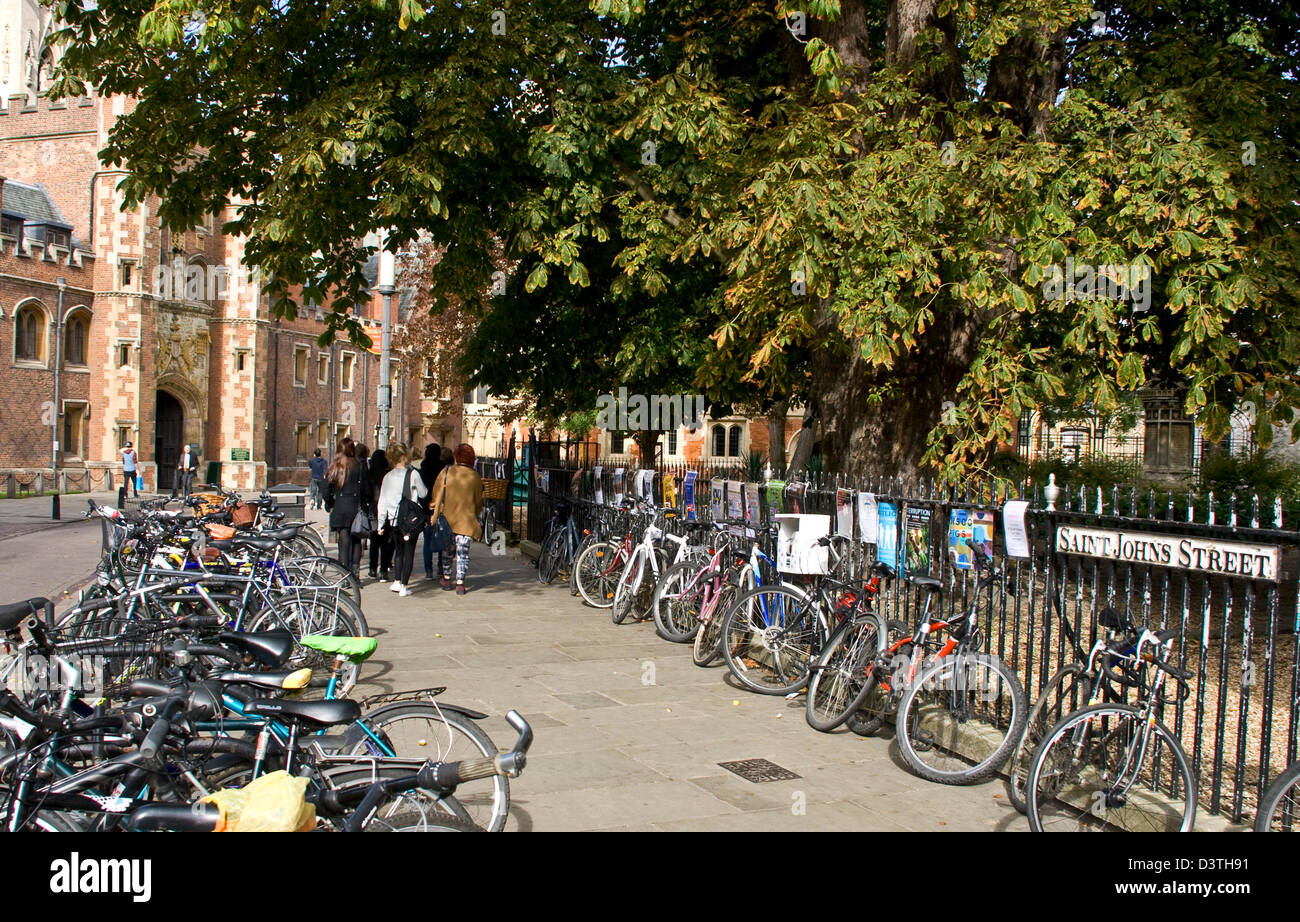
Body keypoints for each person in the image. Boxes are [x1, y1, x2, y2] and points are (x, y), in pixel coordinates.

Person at [430, 443, 483, 596]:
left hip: (448, 518)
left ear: (456, 456)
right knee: (463, 553)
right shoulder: (475, 477)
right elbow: (479, 500)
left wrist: (434, 507)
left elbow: (436, 492)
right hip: (467, 520)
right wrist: (476, 511)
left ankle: (446, 578)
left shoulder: (446, 472)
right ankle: (460, 583)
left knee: (447, 551)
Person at [377, 443, 427, 597]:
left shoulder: (387, 477)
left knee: (398, 551)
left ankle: (397, 581)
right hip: (410, 520)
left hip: (393, 520)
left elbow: (382, 501)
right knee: (409, 552)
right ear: (405, 456)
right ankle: (404, 586)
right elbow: (424, 493)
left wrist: (380, 524)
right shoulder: (413, 475)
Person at [324, 438, 372, 577]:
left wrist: (330, 502)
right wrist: (366, 500)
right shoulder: (360, 465)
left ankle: (345, 575)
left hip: (340, 506)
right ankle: (355, 573)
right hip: (356, 507)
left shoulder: (335, 466)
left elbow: (326, 487)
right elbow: (367, 488)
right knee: (357, 539)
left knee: (343, 541)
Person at [367, 447, 394, 581]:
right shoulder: (388, 475)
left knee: (374, 541)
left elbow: (367, 492)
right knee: (385, 542)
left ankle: (372, 569)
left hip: (373, 509)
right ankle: (384, 570)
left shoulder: (370, 474)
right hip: (387, 509)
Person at [419, 442, 444, 579]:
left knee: (427, 540)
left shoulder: (423, 468)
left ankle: (428, 570)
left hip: (426, 507)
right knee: (441, 537)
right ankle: (440, 567)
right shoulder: (442, 468)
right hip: (440, 507)